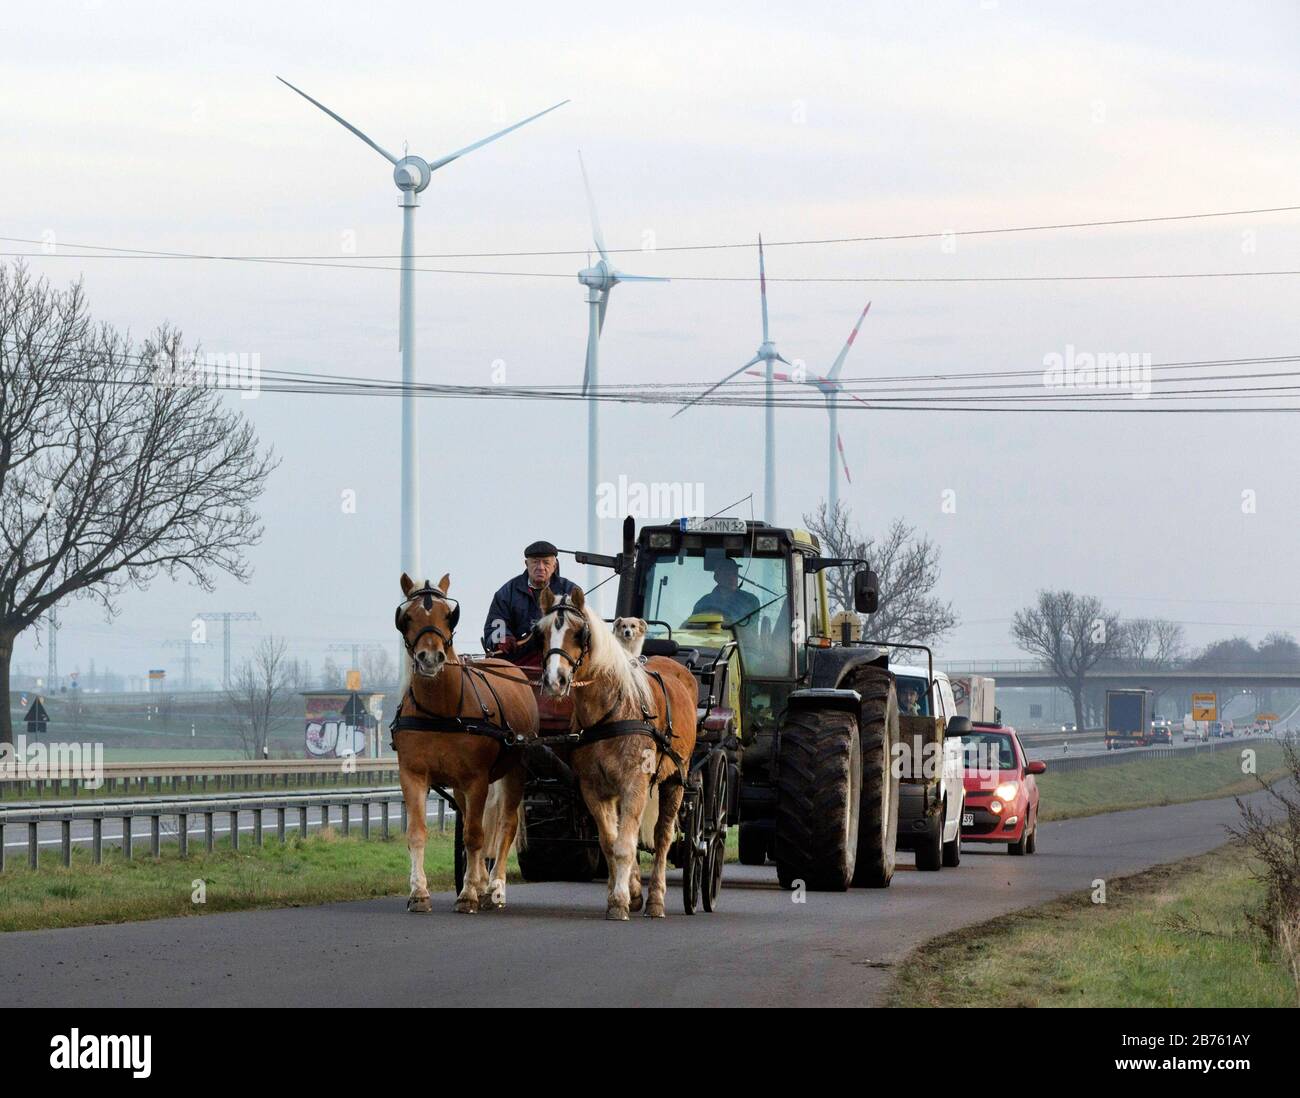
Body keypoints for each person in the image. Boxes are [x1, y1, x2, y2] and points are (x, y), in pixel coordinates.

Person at [482, 540, 576, 656]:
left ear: (554, 565)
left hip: (558, 660)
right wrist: (503, 640)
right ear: (526, 564)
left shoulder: (569, 591)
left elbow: (580, 626)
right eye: (535, 562)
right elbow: (496, 622)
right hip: (518, 661)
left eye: (546, 562)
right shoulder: (507, 592)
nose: (540, 567)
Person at [691, 557, 760, 626]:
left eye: (734, 573)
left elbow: (750, 632)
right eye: (727, 574)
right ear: (716, 577)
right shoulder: (703, 603)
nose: (732, 578)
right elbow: (692, 628)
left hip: (739, 637)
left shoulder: (750, 601)